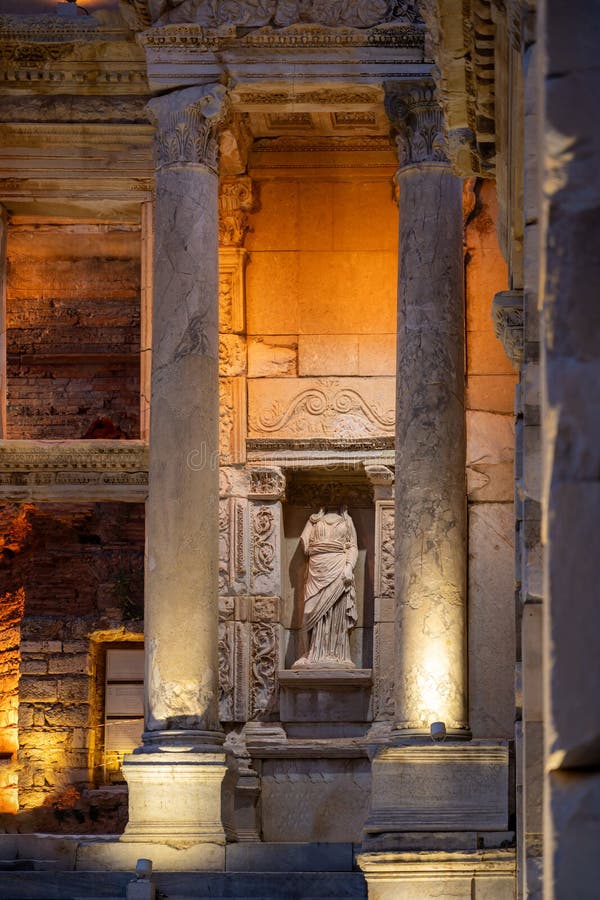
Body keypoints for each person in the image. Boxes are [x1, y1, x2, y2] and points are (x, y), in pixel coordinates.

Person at [293, 506, 358, 668]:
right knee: (309, 610)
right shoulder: (314, 519)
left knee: (337, 611)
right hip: (317, 567)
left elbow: (353, 546)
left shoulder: (347, 520)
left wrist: (349, 567)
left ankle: (337, 654)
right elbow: (306, 546)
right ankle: (310, 653)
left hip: (339, 567)